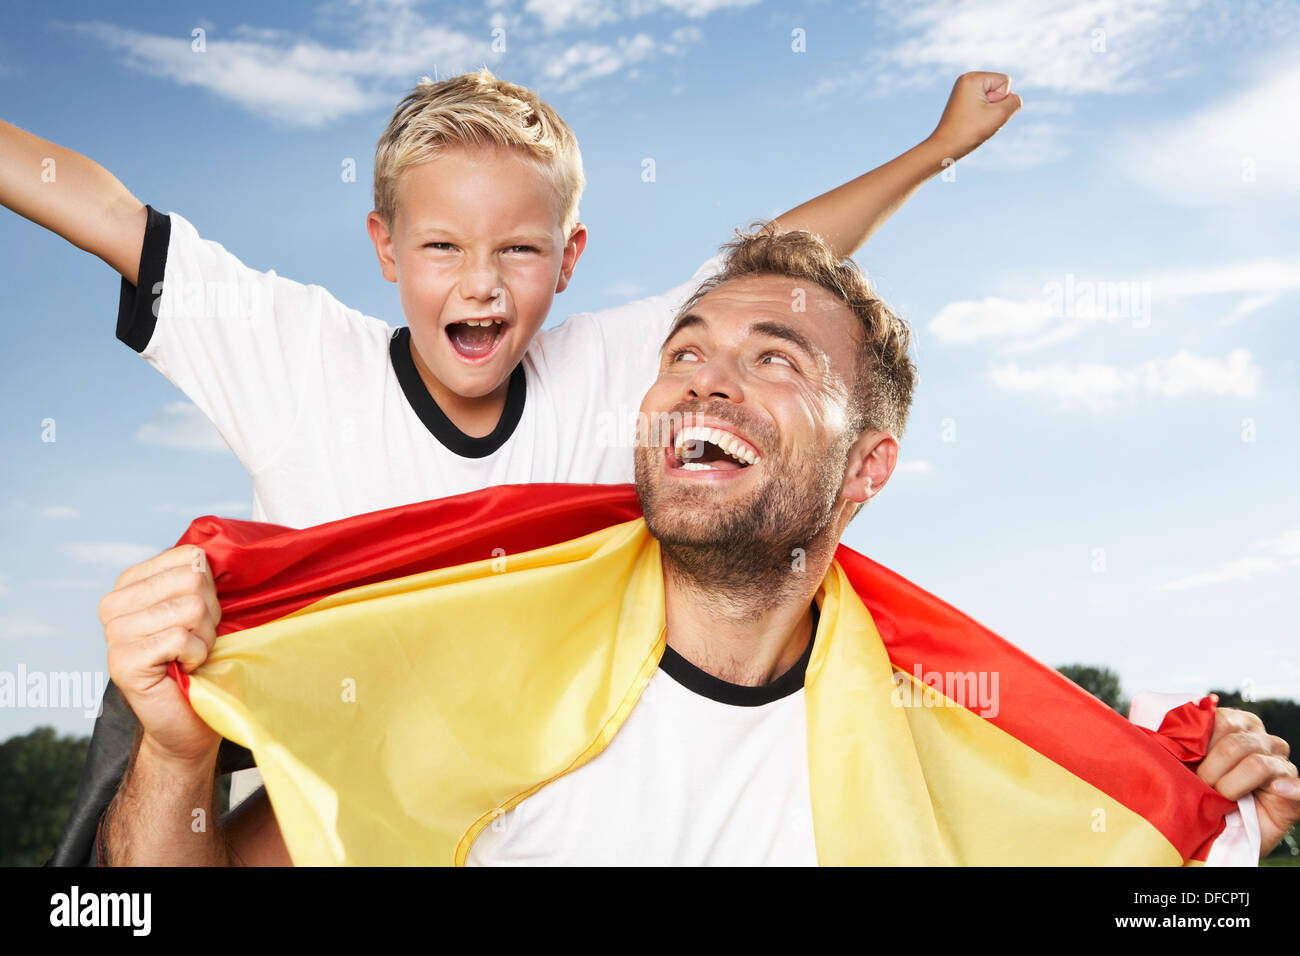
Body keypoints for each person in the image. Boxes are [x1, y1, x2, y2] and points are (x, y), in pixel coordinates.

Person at [96, 229, 1300, 865]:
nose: (702, 381)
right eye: (681, 352)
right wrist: (170, 754)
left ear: (866, 470)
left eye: (774, 359)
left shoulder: (956, 739)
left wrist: (1210, 821)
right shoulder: (468, 667)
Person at [4, 69, 1020, 819]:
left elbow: (780, 267)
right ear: (384, 248)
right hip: (336, 758)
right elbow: (107, 214)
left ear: (569, 257)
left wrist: (936, 150)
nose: (479, 284)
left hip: (526, 782)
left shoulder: (616, 366)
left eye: (518, 250)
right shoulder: (297, 353)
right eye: (442, 246)